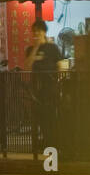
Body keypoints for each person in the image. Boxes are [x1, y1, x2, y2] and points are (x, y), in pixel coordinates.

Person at [25, 20, 63, 151]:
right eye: (34, 31)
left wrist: (58, 83)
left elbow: (60, 66)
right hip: (36, 88)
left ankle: (52, 142)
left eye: (39, 31)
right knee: (39, 116)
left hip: (50, 87)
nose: (36, 33)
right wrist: (36, 47)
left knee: (51, 115)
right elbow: (28, 66)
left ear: (44, 32)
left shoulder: (52, 48)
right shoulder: (30, 49)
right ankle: (46, 141)